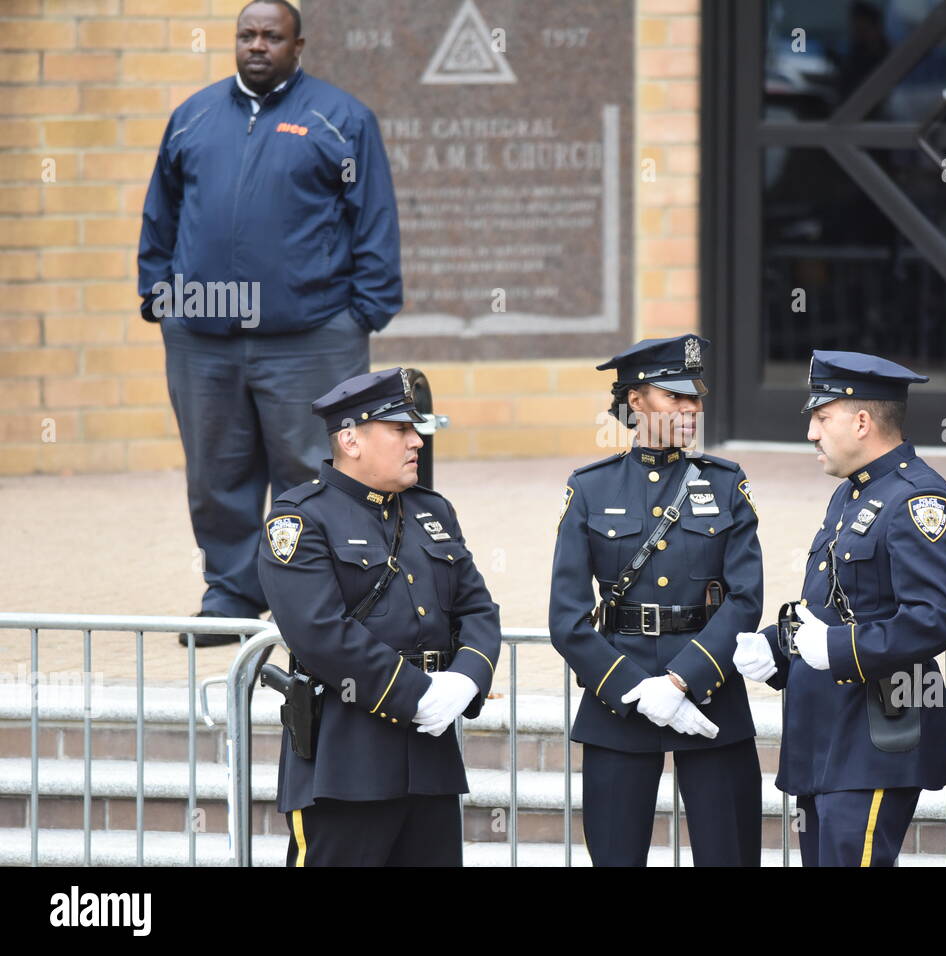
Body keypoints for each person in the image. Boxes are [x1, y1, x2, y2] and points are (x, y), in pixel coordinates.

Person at [138, 0, 402, 644]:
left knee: (316, 473)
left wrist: (364, 312)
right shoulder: (193, 117)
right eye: (247, 35)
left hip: (309, 336)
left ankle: (313, 599)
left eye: (272, 36)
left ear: (298, 45)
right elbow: (162, 212)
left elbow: (374, 217)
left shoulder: (340, 119)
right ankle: (229, 597)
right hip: (203, 338)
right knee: (215, 474)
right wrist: (157, 294)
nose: (258, 45)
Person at [732, 351, 946, 867]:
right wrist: (779, 646)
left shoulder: (918, 499)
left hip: (874, 737)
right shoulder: (850, 497)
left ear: (861, 421)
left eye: (822, 418)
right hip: (827, 735)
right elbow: (836, 605)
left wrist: (835, 648)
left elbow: (935, 616)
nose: (812, 434)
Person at [258, 368, 500, 866]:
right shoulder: (300, 518)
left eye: (417, 429)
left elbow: (478, 608)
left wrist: (465, 680)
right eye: (400, 430)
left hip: (430, 757)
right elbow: (319, 633)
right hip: (346, 761)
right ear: (350, 439)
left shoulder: (432, 511)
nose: (417, 441)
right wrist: (418, 694)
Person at [548, 335, 764, 866]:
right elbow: (567, 618)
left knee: (728, 853)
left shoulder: (726, 482)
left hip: (709, 693)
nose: (690, 409)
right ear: (636, 400)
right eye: (675, 397)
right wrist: (635, 689)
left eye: (696, 397)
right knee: (616, 853)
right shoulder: (591, 488)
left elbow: (745, 598)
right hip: (619, 701)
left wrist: (681, 679)